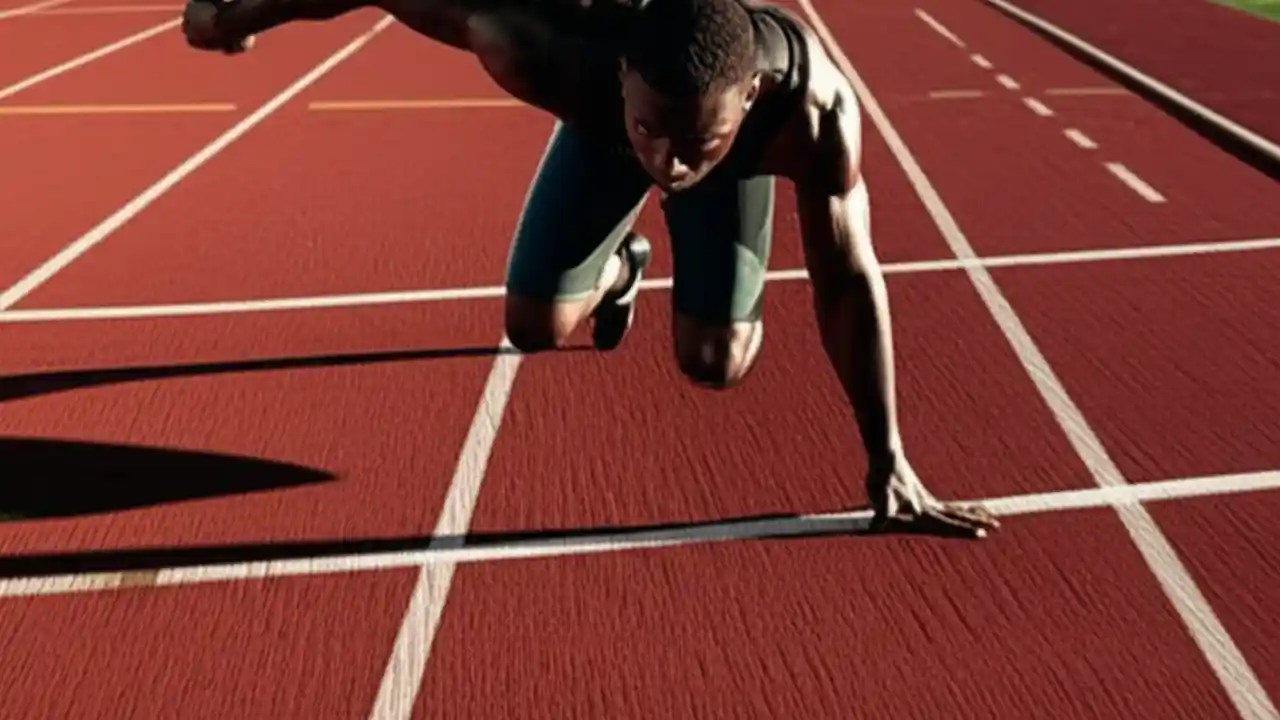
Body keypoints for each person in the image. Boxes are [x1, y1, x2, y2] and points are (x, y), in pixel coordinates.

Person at [182, 0, 1000, 538]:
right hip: (599, 128)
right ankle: (623, 266)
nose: (671, 164)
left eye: (695, 142)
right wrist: (235, 14)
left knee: (715, 365)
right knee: (531, 330)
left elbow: (847, 274)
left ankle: (700, 226)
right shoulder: (532, 39)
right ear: (620, 79)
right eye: (657, 131)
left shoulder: (813, 113)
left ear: (750, 96)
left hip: (738, 167)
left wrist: (887, 458)